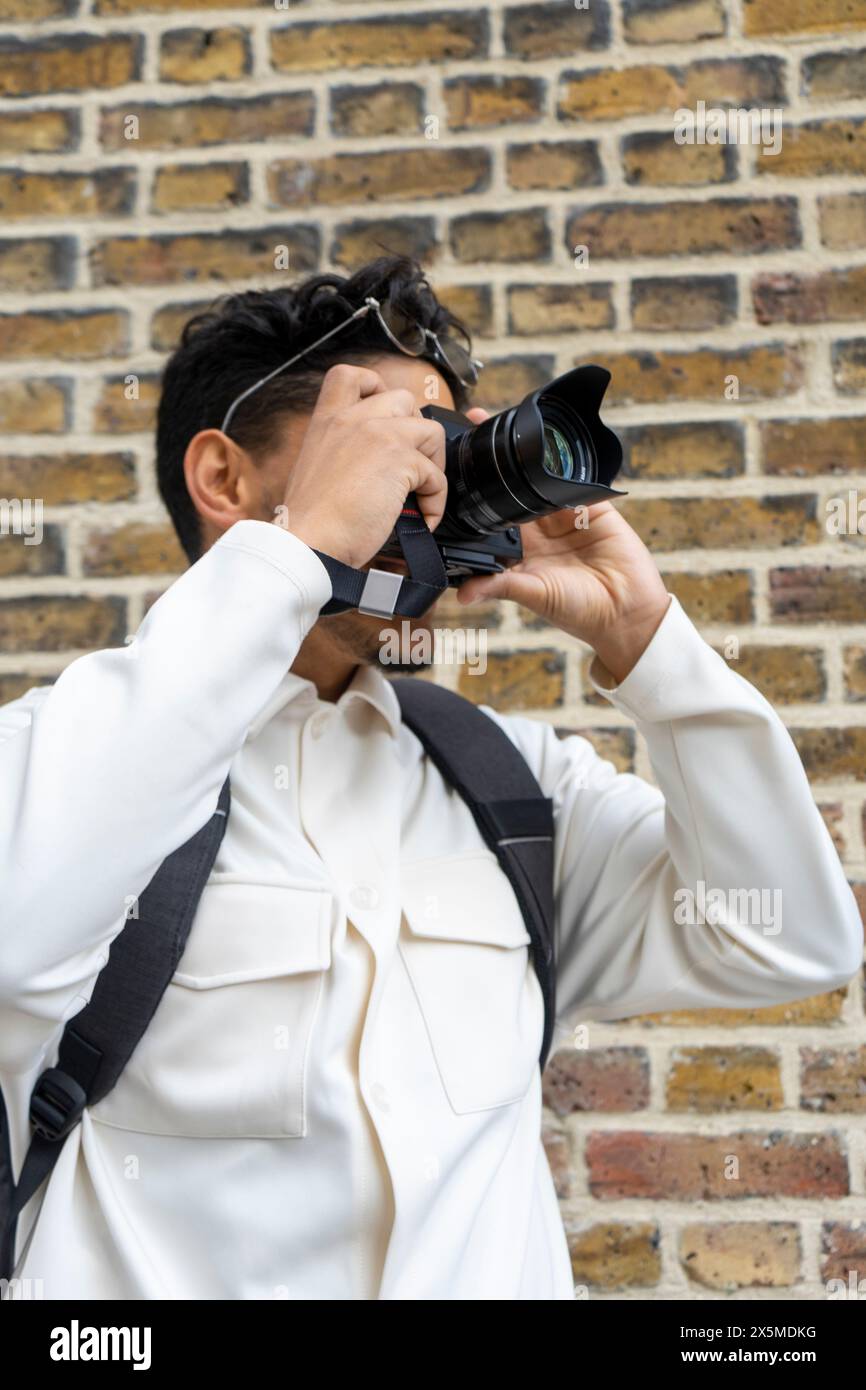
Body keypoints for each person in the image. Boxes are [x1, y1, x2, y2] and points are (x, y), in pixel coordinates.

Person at [0, 255, 861, 1301]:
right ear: (223, 479)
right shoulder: (61, 766)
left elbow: (786, 936)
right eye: (383, 448)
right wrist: (303, 548)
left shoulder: (505, 789)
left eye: (442, 450)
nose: (427, 487)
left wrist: (648, 642)